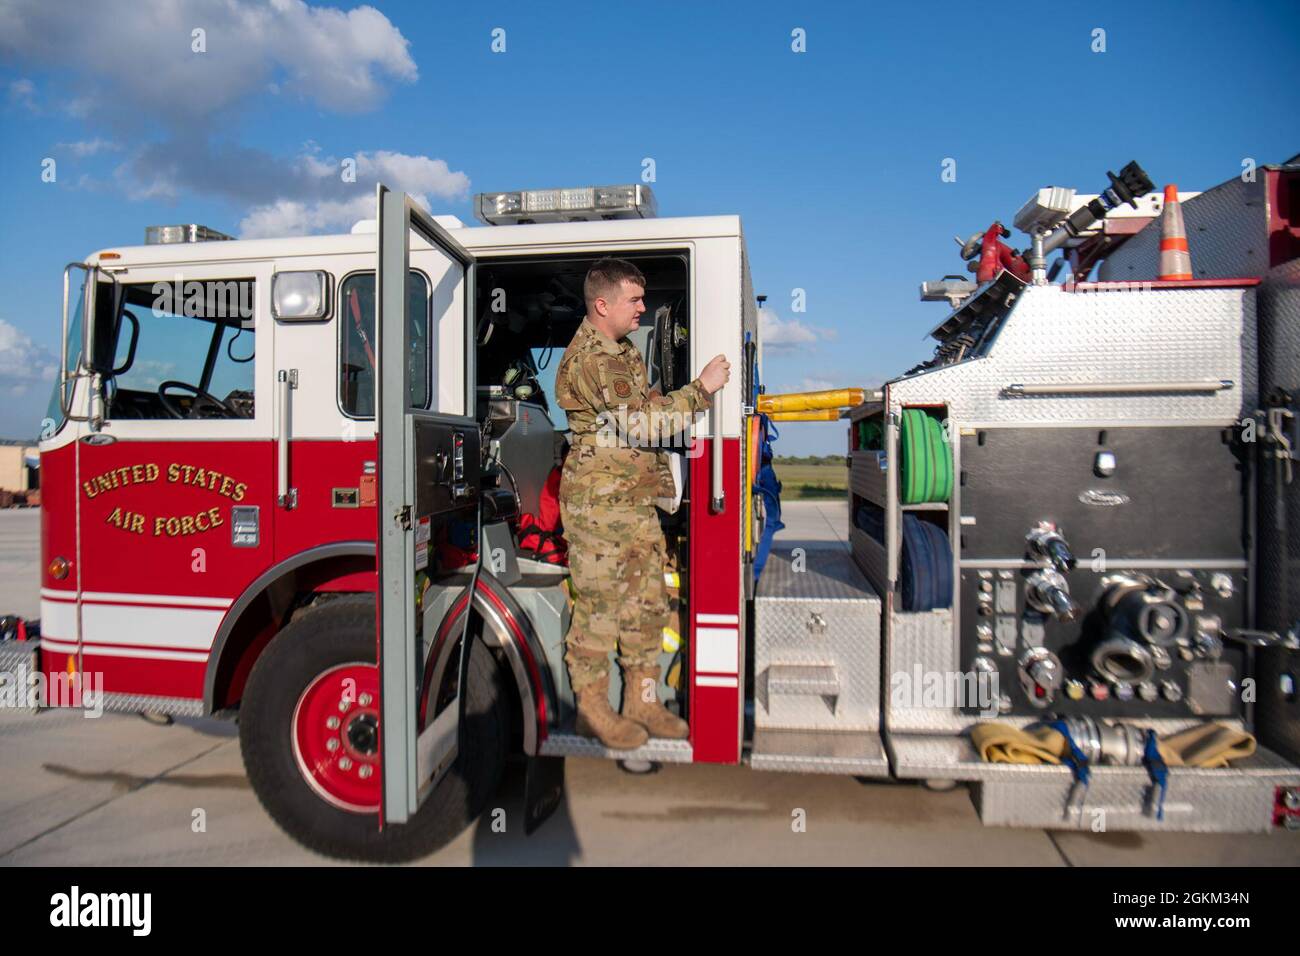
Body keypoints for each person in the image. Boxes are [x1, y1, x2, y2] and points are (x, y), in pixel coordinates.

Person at [554, 257, 730, 748]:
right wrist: (702, 390)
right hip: (599, 508)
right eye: (634, 300)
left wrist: (660, 400)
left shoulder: (622, 350)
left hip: (632, 503)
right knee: (599, 610)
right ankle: (592, 710)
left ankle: (642, 699)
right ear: (603, 303)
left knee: (647, 604)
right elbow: (640, 424)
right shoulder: (594, 357)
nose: (642, 307)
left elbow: (639, 408)